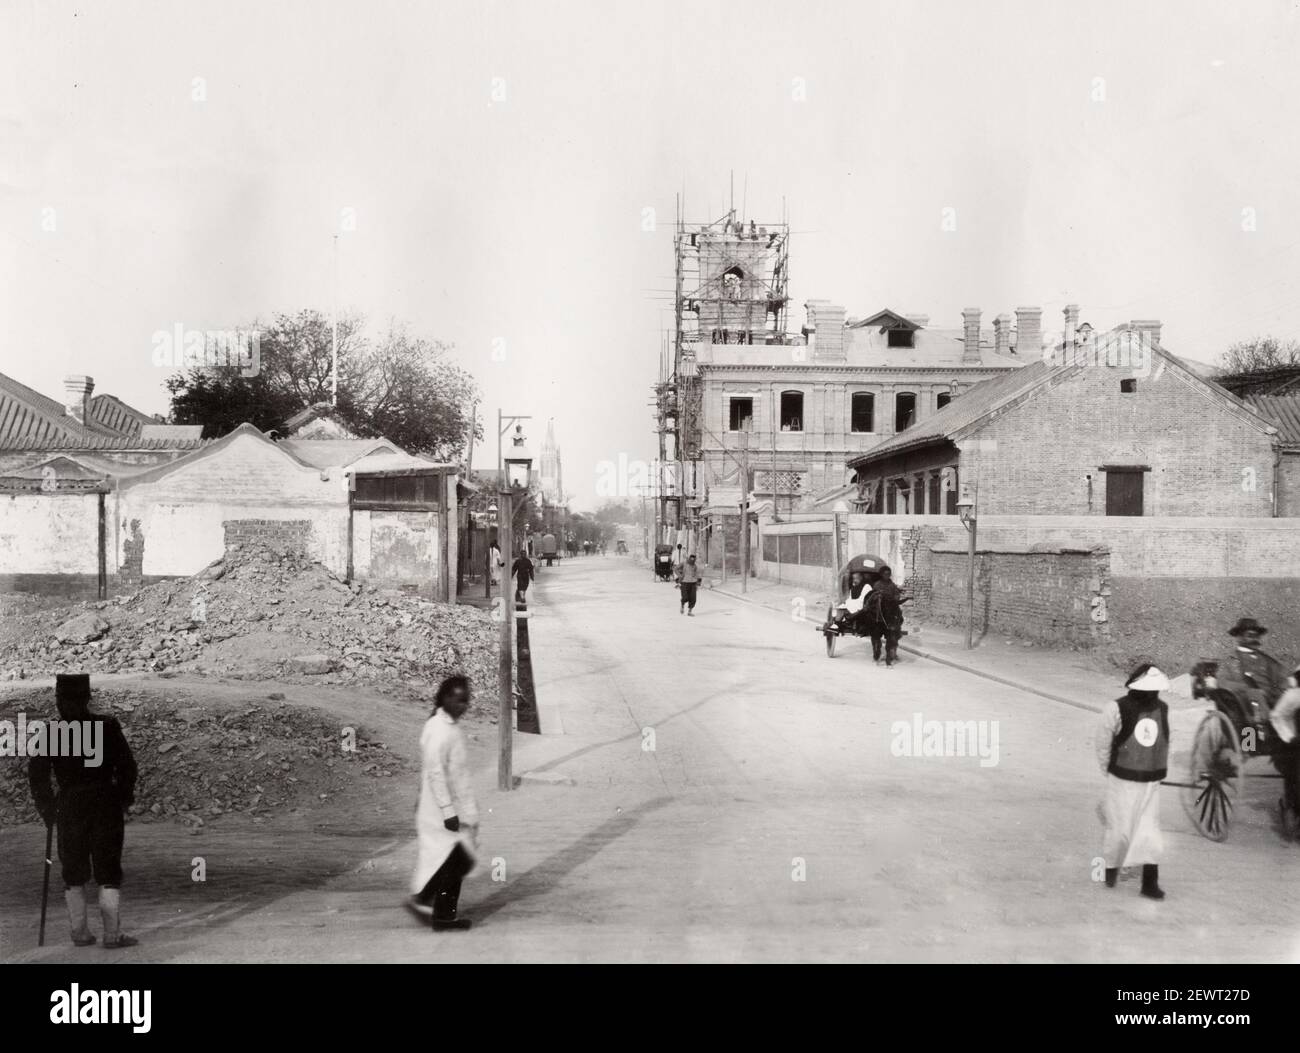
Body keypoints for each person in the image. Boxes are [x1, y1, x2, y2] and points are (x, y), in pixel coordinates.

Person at [28, 672, 139, 948]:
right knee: (108, 869)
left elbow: (37, 775)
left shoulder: (53, 732)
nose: (61, 704)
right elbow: (128, 767)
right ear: (88, 698)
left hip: (70, 806)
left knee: (73, 871)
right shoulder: (107, 726)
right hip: (105, 804)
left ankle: (79, 933)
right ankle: (112, 935)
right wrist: (123, 798)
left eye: (61, 699)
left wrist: (48, 808)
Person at [408, 676, 479, 930]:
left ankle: (434, 907)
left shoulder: (448, 727)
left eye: (466, 701)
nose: (463, 706)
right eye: (459, 700)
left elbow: (457, 774)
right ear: (446, 698)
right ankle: (435, 909)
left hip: (445, 803)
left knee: (456, 857)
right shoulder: (438, 729)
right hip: (440, 806)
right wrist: (449, 811)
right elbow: (436, 772)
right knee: (459, 858)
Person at [1095, 664, 1169, 900]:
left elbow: (1164, 742)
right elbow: (1103, 742)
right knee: (1119, 830)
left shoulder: (1164, 709)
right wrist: (1109, 769)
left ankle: (1149, 883)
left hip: (1149, 782)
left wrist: (1157, 770)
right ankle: (1111, 869)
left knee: (1149, 833)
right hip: (1121, 779)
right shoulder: (1115, 708)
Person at [1215, 617, 1285, 730]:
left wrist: (1277, 693)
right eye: (1250, 635)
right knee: (1256, 698)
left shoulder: (1268, 661)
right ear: (1239, 637)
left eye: (1256, 636)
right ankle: (1254, 742)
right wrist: (1246, 689)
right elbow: (1222, 682)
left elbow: (1284, 680)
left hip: (1274, 702)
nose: (1254, 639)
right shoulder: (1230, 661)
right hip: (1246, 706)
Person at [867, 567, 908, 667]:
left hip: (891, 609)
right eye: (885, 574)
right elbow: (874, 596)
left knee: (899, 617)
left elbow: (896, 595)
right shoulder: (877, 584)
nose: (887, 575)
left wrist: (896, 598)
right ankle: (876, 653)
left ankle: (896, 632)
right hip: (879, 611)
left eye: (889, 574)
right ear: (881, 574)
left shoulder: (892, 585)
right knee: (875, 635)